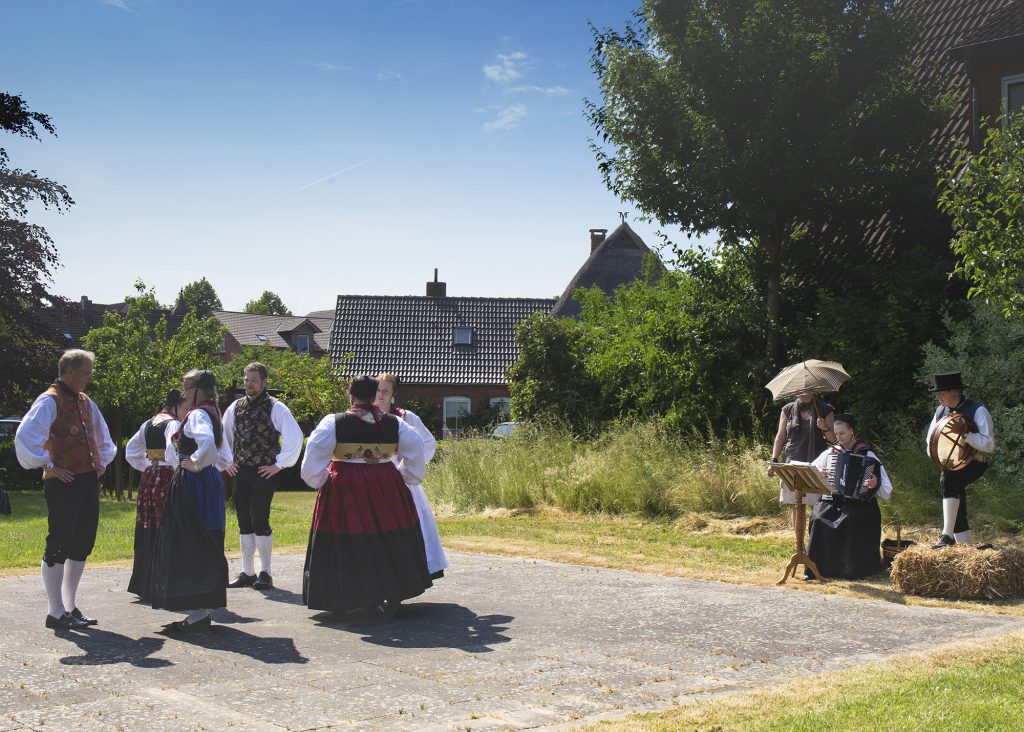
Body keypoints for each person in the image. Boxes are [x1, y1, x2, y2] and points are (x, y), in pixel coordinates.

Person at [300, 375, 432, 616]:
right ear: (374, 396)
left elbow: (312, 462)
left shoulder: (334, 422)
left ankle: (340, 598)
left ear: (350, 396)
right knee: (389, 537)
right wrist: (404, 475)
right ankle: (392, 595)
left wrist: (322, 480)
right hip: (386, 486)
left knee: (343, 539)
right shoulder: (395, 423)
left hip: (345, 489)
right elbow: (416, 449)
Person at [14, 349, 116, 630]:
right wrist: (49, 465)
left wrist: (101, 461)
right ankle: (55, 611)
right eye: (85, 372)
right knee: (59, 541)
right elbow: (25, 437)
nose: (89, 377)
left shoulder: (85, 401)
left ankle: (70, 606)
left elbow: (102, 435)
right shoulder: (49, 401)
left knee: (82, 543)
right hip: (63, 481)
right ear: (70, 372)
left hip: (86, 480)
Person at [150, 370, 231, 634]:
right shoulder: (213, 411)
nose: (183, 394)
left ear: (198, 390)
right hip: (207, 482)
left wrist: (195, 464)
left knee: (190, 538)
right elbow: (224, 454)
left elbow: (208, 445)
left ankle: (198, 614)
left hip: (194, 483)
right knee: (203, 537)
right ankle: (200, 610)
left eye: (187, 388)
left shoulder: (197, 414)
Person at [222, 362, 303, 590]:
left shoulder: (276, 407)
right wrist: (227, 461)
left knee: (260, 518)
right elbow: (223, 434)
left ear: (264, 382)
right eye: (246, 380)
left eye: (253, 381)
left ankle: (265, 572)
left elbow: (294, 437)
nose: (249, 385)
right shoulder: (236, 407)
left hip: (263, 472)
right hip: (241, 471)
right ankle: (247, 572)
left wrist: (279, 465)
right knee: (243, 521)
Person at [374, 373, 448, 579]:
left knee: (410, 522)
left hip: (402, 479)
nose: (381, 395)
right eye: (378, 390)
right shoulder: (365, 417)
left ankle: (414, 568)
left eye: (385, 391)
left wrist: (405, 465)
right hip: (372, 479)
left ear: (393, 394)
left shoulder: (407, 418)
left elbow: (428, 443)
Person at [807, 413, 893, 579]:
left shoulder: (867, 454)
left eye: (842, 433)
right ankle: (819, 568)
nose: (838, 438)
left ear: (851, 431)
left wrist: (874, 484)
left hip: (859, 504)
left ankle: (849, 569)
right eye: (836, 434)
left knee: (851, 519)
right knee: (818, 517)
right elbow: (811, 472)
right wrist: (821, 475)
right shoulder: (830, 453)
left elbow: (887, 489)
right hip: (834, 501)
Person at [125, 388, 186, 600]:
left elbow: (131, 452)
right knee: (168, 527)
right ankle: (165, 584)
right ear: (175, 406)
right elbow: (173, 452)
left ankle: (145, 583)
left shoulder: (149, 423)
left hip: (149, 478)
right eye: (185, 408)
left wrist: (149, 467)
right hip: (167, 478)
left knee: (147, 527)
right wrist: (180, 469)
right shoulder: (174, 424)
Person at [926, 371, 995, 548]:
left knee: (949, 479)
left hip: (975, 463)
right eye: (937, 394)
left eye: (941, 393)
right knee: (956, 494)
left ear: (955, 392)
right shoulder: (940, 411)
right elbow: (931, 441)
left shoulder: (978, 410)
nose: (938, 397)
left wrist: (964, 434)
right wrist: (940, 457)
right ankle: (965, 548)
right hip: (952, 463)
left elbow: (989, 445)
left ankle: (946, 535)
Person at [768, 391, 836, 505]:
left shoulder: (825, 409)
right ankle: (796, 524)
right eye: (799, 389)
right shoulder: (787, 409)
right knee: (796, 504)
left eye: (807, 389)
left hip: (817, 464)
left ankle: (814, 524)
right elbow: (780, 436)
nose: (803, 392)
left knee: (817, 505)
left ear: (813, 389)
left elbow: (833, 439)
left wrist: (825, 428)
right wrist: (774, 460)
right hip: (792, 462)